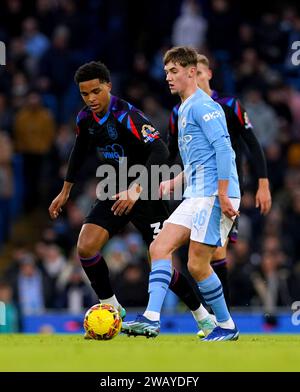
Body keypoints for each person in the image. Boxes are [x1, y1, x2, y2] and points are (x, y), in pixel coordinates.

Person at [48, 61, 215, 338]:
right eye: (84, 94)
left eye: (95, 91)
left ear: (108, 86)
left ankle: (203, 315)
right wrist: (65, 191)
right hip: (114, 189)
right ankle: (112, 309)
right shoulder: (85, 119)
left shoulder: (127, 115)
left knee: (160, 260)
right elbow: (79, 152)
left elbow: (160, 152)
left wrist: (136, 188)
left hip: (145, 191)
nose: (90, 99)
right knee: (86, 247)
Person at [122, 46, 240, 341]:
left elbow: (225, 150)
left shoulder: (204, 106)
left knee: (197, 265)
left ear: (191, 72)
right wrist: (175, 180)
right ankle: (151, 318)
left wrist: (224, 195)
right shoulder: (185, 107)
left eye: (174, 71)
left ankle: (225, 326)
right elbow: (200, 158)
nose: (168, 78)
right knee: (159, 248)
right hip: (196, 193)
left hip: (213, 194)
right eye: (166, 73)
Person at [168, 54, 272, 308]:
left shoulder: (229, 105)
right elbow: (172, 152)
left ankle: (221, 316)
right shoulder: (179, 110)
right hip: (195, 188)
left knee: (216, 250)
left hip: (225, 187)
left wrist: (263, 183)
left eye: (201, 74)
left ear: (206, 74)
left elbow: (251, 144)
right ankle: (213, 315)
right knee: (192, 254)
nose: (198, 78)